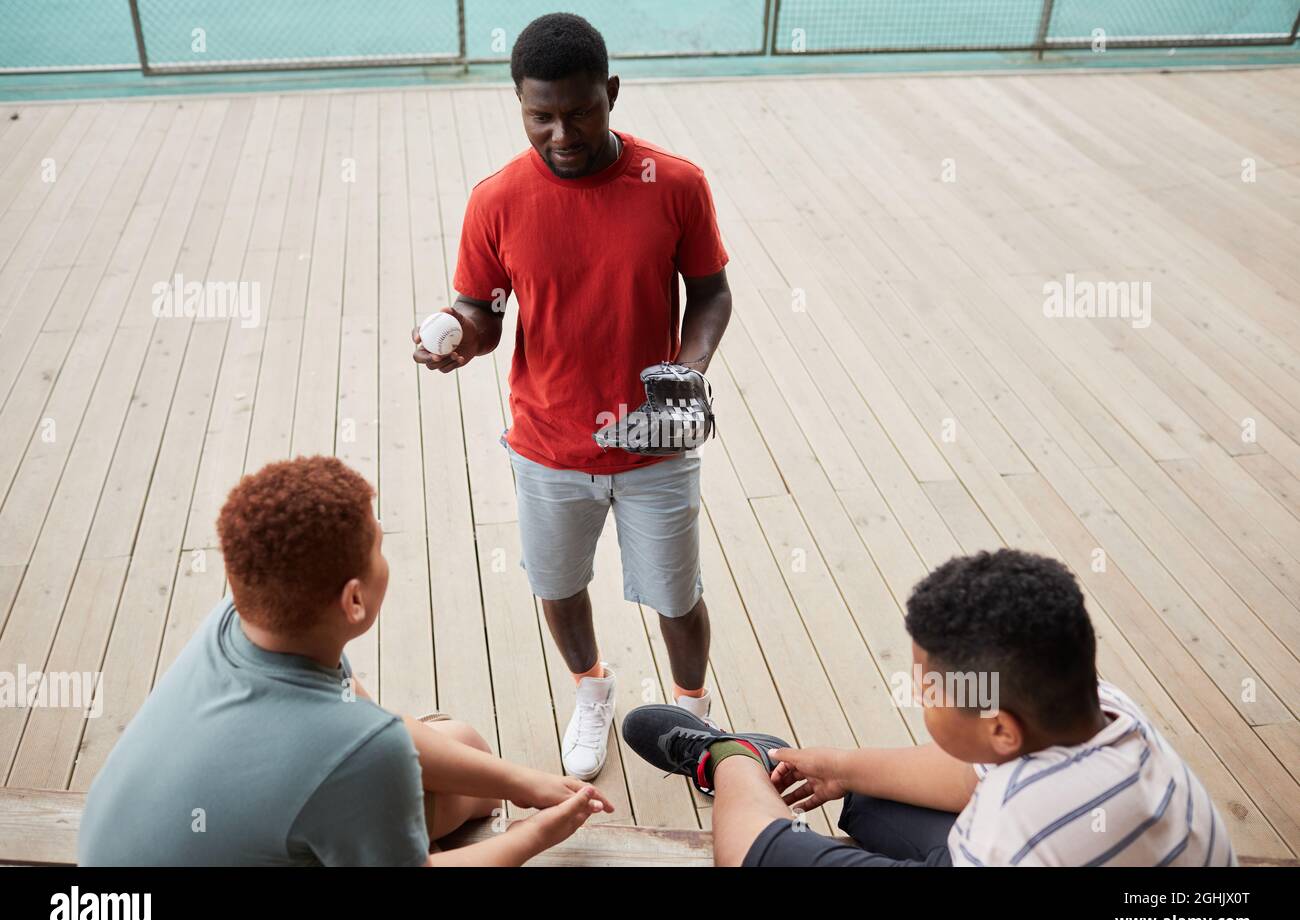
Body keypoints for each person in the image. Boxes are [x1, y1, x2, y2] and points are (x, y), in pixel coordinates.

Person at [412, 13, 733, 780]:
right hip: (548, 442)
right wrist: (458, 338)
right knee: (559, 587)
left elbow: (712, 292)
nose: (561, 132)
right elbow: (484, 313)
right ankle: (592, 689)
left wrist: (687, 369)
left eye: (579, 111)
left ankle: (690, 714)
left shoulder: (675, 184)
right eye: (541, 115)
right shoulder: (496, 201)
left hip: (655, 441)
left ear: (611, 93)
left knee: (676, 595)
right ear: (520, 105)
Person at [79, 456, 613, 866]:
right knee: (439, 780)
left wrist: (523, 782)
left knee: (464, 750)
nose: (386, 554)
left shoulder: (238, 622)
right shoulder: (359, 754)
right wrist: (533, 836)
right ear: (353, 601)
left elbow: (375, 728)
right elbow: (369, 750)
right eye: (379, 545)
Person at [622, 549, 1236, 867]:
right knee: (874, 792)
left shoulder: (1015, 829)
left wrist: (742, 772)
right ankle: (803, 777)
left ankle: (727, 755)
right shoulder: (1101, 708)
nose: (920, 699)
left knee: (761, 852)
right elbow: (974, 774)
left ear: (1000, 728)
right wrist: (840, 768)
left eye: (930, 691)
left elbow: (741, 856)